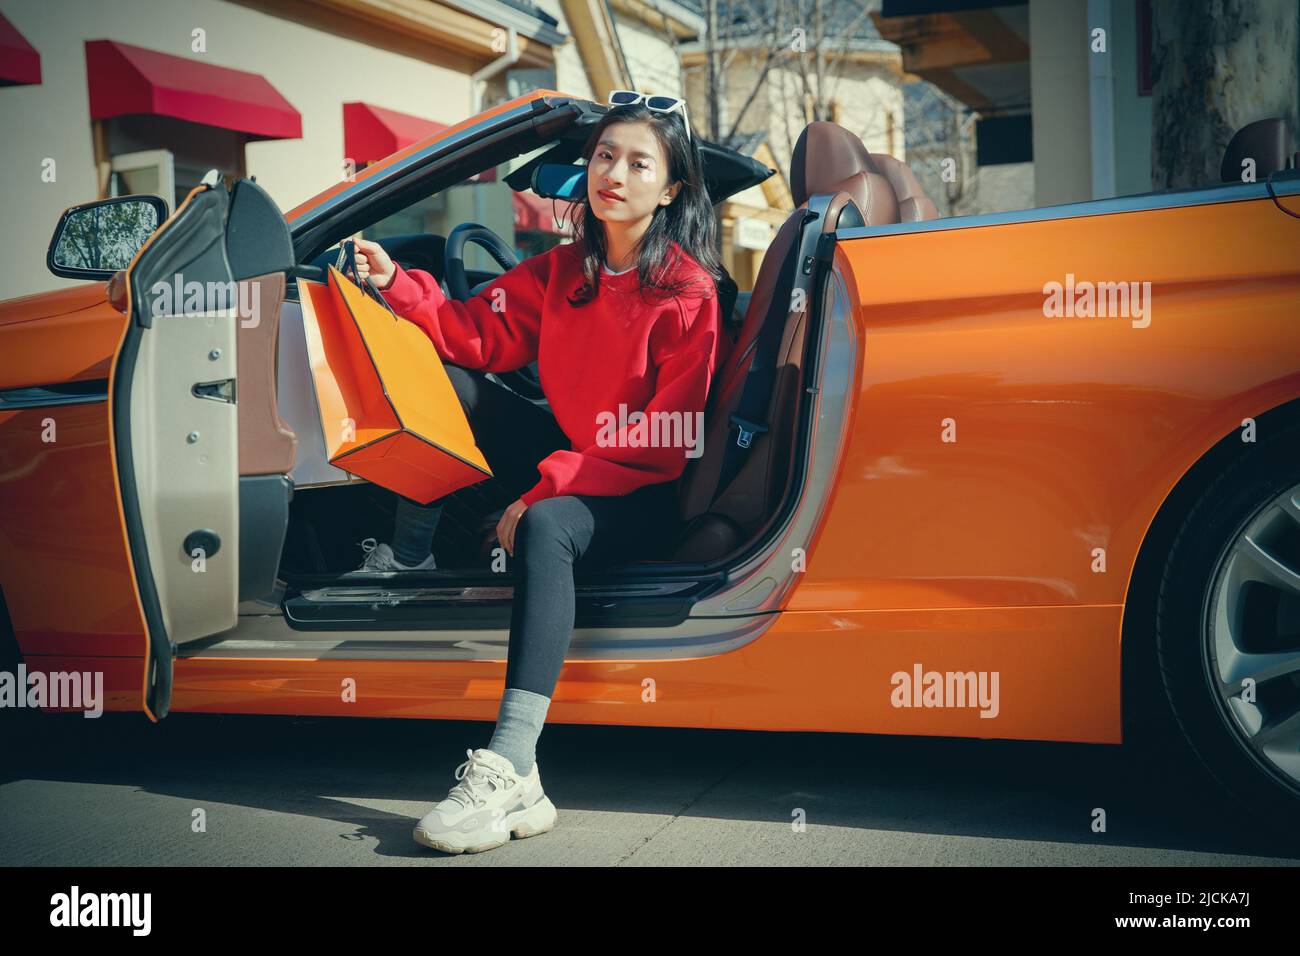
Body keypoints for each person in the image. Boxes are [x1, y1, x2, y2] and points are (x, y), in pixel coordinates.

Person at [350, 93, 724, 854]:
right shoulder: (561, 272)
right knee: (450, 383)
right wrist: (398, 283)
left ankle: (514, 764)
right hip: (581, 458)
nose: (614, 174)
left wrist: (551, 483)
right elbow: (474, 334)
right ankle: (410, 554)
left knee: (548, 526)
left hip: (645, 490)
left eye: (638, 162)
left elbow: (667, 439)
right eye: (604, 157)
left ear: (672, 187)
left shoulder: (688, 292)